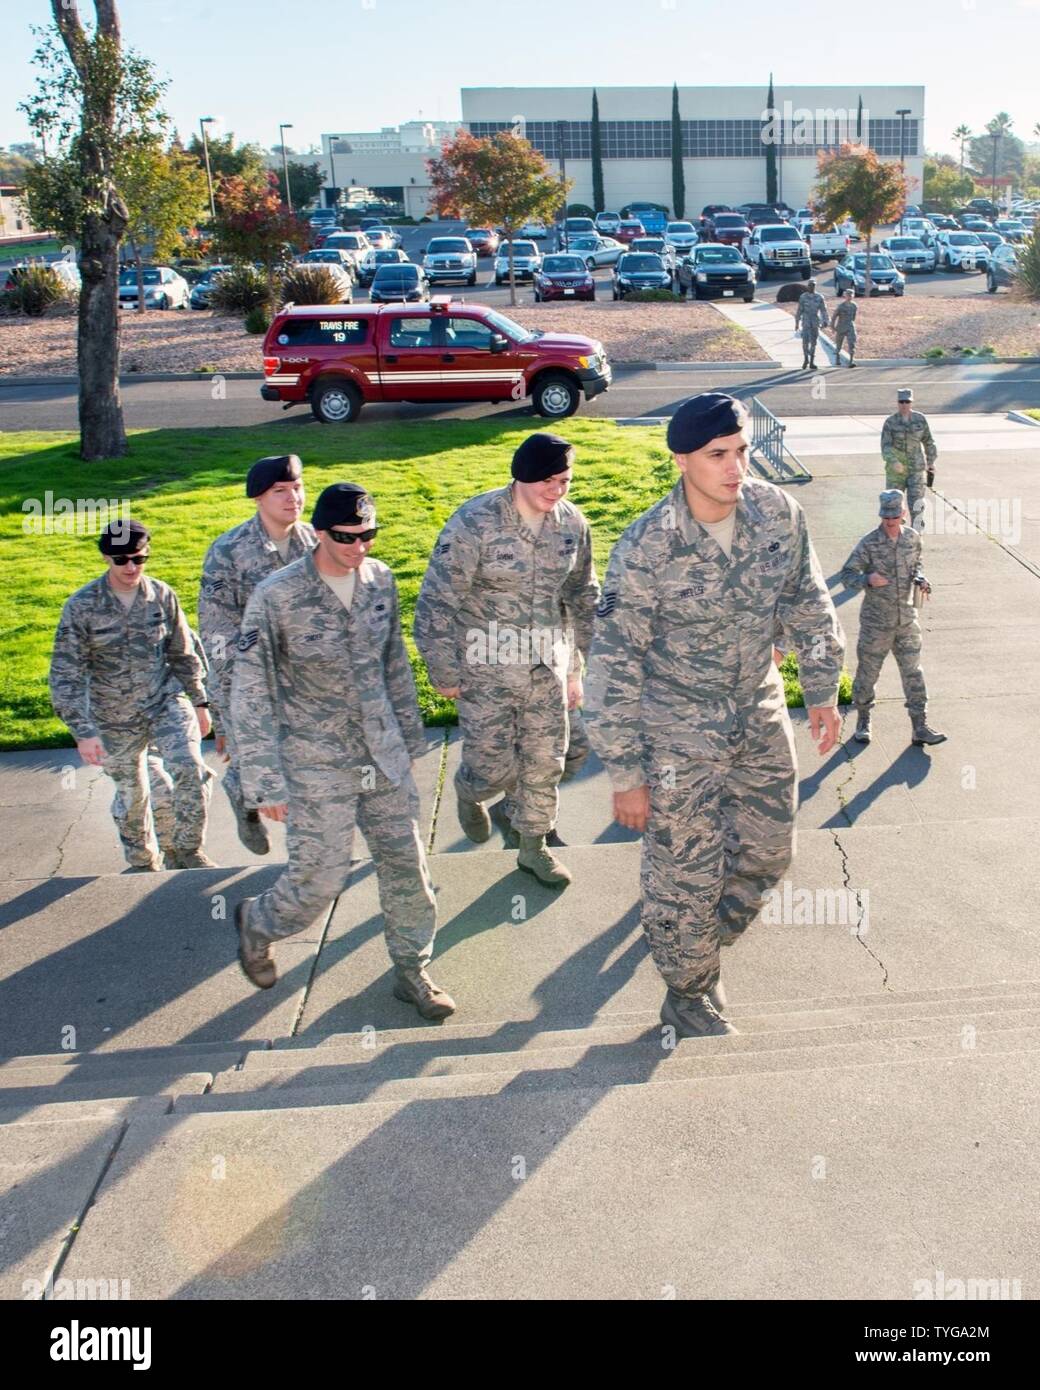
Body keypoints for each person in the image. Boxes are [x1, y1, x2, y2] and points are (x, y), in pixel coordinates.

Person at [585, 394, 845, 1039]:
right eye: (717, 455)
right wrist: (625, 773)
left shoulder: (777, 512)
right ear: (682, 461)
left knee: (767, 854)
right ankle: (690, 987)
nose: (736, 468)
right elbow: (613, 663)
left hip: (756, 712)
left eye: (742, 452)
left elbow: (808, 601)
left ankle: (687, 939)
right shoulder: (647, 547)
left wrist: (820, 690)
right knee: (686, 870)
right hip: (674, 731)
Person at [230, 483, 453, 1020]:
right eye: (346, 537)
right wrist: (264, 782)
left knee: (407, 867)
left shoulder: (380, 580)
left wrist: (409, 737)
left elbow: (393, 662)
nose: (359, 547)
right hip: (313, 762)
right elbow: (251, 687)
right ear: (321, 533)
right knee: (319, 882)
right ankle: (257, 922)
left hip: (381, 754)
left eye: (368, 535)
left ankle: (412, 970)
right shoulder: (277, 596)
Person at [413, 433, 600, 888]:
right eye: (548, 481)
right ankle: (470, 792)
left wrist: (588, 664)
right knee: (492, 764)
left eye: (565, 481)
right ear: (522, 476)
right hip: (485, 666)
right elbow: (436, 601)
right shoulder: (474, 523)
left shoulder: (571, 524)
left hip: (546, 667)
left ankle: (532, 847)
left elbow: (582, 595)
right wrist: (442, 669)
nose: (557, 490)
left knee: (545, 761)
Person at [49, 519, 215, 872]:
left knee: (191, 767)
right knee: (133, 795)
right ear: (106, 558)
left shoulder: (161, 595)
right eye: (121, 559)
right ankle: (142, 861)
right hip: (112, 716)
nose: (131, 567)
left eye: (139, 559)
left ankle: (187, 852)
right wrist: (83, 731)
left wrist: (200, 702)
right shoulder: (82, 606)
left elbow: (183, 653)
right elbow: (66, 674)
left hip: (164, 702)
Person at [199, 454, 316, 855]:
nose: (292, 498)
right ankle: (241, 793)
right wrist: (230, 708)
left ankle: (311, 860)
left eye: (297, 488)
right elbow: (217, 632)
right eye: (280, 491)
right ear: (258, 499)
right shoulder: (228, 552)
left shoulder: (316, 543)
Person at [840, 489, 946, 747]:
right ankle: (863, 720)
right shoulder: (868, 543)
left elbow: (917, 564)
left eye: (894, 517)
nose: (889, 522)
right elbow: (847, 576)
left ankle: (919, 726)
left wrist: (921, 579)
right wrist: (867, 580)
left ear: (903, 514)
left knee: (914, 674)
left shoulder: (913, 539)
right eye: (886, 518)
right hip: (876, 624)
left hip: (907, 621)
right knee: (867, 674)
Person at [880, 388, 937, 531]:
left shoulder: (920, 419)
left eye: (907, 402)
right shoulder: (890, 422)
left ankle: (917, 538)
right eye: (901, 402)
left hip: (916, 469)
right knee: (893, 506)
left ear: (912, 402)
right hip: (896, 471)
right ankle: (895, 537)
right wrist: (893, 461)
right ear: (897, 403)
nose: (904, 405)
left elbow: (929, 441)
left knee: (917, 505)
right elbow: (885, 446)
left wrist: (931, 462)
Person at [794, 279, 829, 370]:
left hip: (815, 322)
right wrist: (797, 323)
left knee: (813, 342)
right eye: (810, 285)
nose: (811, 287)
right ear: (808, 286)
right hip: (805, 322)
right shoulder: (803, 297)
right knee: (805, 342)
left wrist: (825, 321)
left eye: (813, 285)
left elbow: (823, 310)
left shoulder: (819, 297)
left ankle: (812, 362)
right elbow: (799, 310)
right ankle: (806, 359)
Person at [832, 288, 858, 367]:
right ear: (845, 296)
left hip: (850, 326)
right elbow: (834, 316)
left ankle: (851, 361)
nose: (849, 296)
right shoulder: (841, 306)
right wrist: (832, 326)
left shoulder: (854, 306)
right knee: (839, 344)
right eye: (848, 295)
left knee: (852, 343)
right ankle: (837, 359)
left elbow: (854, 317)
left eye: (851, 295)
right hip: (841, 327)